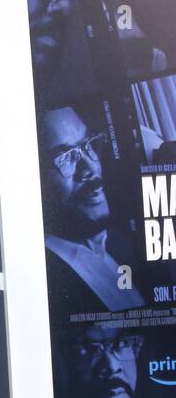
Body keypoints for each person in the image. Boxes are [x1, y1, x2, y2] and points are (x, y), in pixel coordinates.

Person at [39, 106, 143, 313]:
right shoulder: (45, 277)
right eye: (65, 157)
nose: (91, 168)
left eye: (89, 145)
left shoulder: (122, 244)